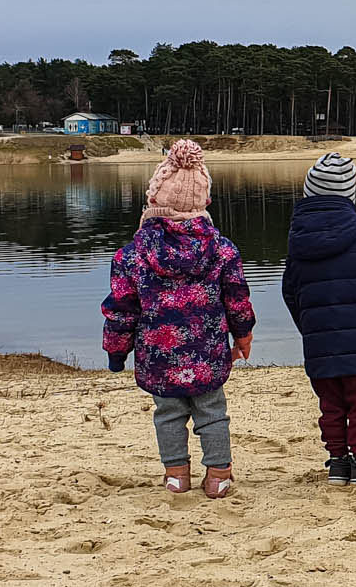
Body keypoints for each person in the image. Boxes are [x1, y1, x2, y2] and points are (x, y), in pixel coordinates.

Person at [102, 139, 255, 499]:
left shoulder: (131, 255)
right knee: (212, 411)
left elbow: (121, 311)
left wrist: (116, 352)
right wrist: (243, 335)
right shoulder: (222, 249)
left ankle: (176, 476)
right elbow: (237, 300)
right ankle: (218, 476)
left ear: (155, 198)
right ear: (204, 201)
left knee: (168, 413)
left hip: (158, 355)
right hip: (208, 351)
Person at [284, 153, 356, 487]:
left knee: (330, 403)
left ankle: (337, 463)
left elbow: (290, 292)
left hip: (318, 339)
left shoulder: (297, 243)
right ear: (349, 195)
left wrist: (308, 327)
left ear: (309, 193)